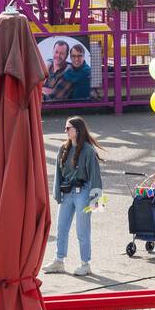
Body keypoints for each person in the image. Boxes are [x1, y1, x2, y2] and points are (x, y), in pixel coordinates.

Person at [43, 117, 103, 276]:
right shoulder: (63, 148)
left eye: (68, 128)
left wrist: (96, 200)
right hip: (67, 193)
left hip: (82, 192)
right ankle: (59, 261)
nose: (66, 131)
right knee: (61, 227)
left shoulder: (88, 150)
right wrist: (57, 192)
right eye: (65, 128)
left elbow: (95, 175)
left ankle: (85, 264)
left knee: (82, 231)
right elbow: (57, 172)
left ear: (77, 130)